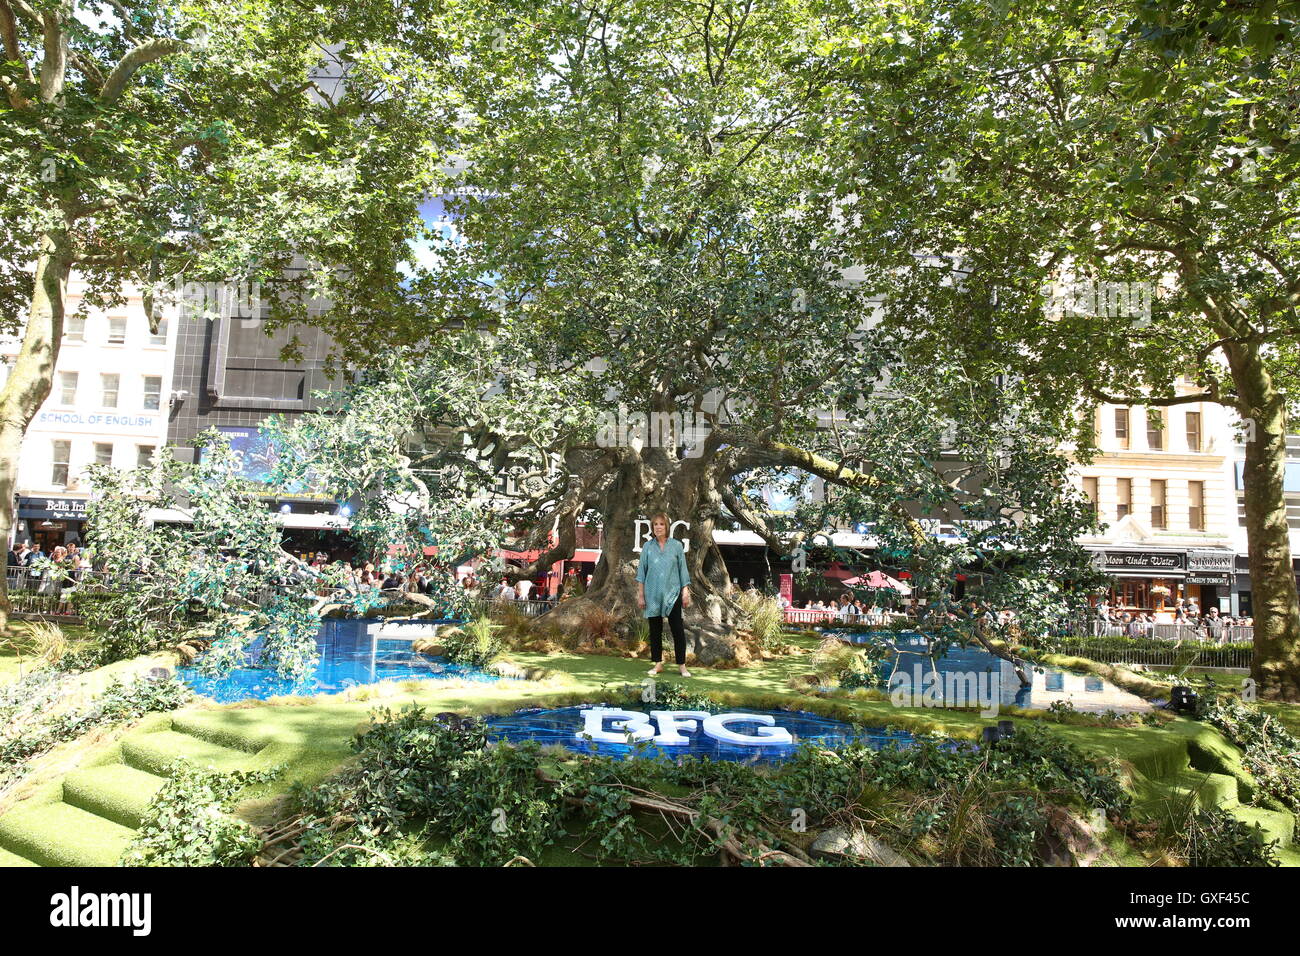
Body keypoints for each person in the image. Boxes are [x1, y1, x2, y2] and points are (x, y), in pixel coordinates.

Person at [638, 512, 692, 678]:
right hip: (652, 594)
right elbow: (641, 572)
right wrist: (641, 595)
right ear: (652, 527)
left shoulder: (676, 546)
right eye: (655, 524)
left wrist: (685, 592)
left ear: (667, 526)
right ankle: (658, 664)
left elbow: (683, 570)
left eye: (661, 524)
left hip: (673, 594)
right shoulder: (647, 547)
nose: (658, 527)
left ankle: (682, 666)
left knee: (677, 630)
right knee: (655, 631)